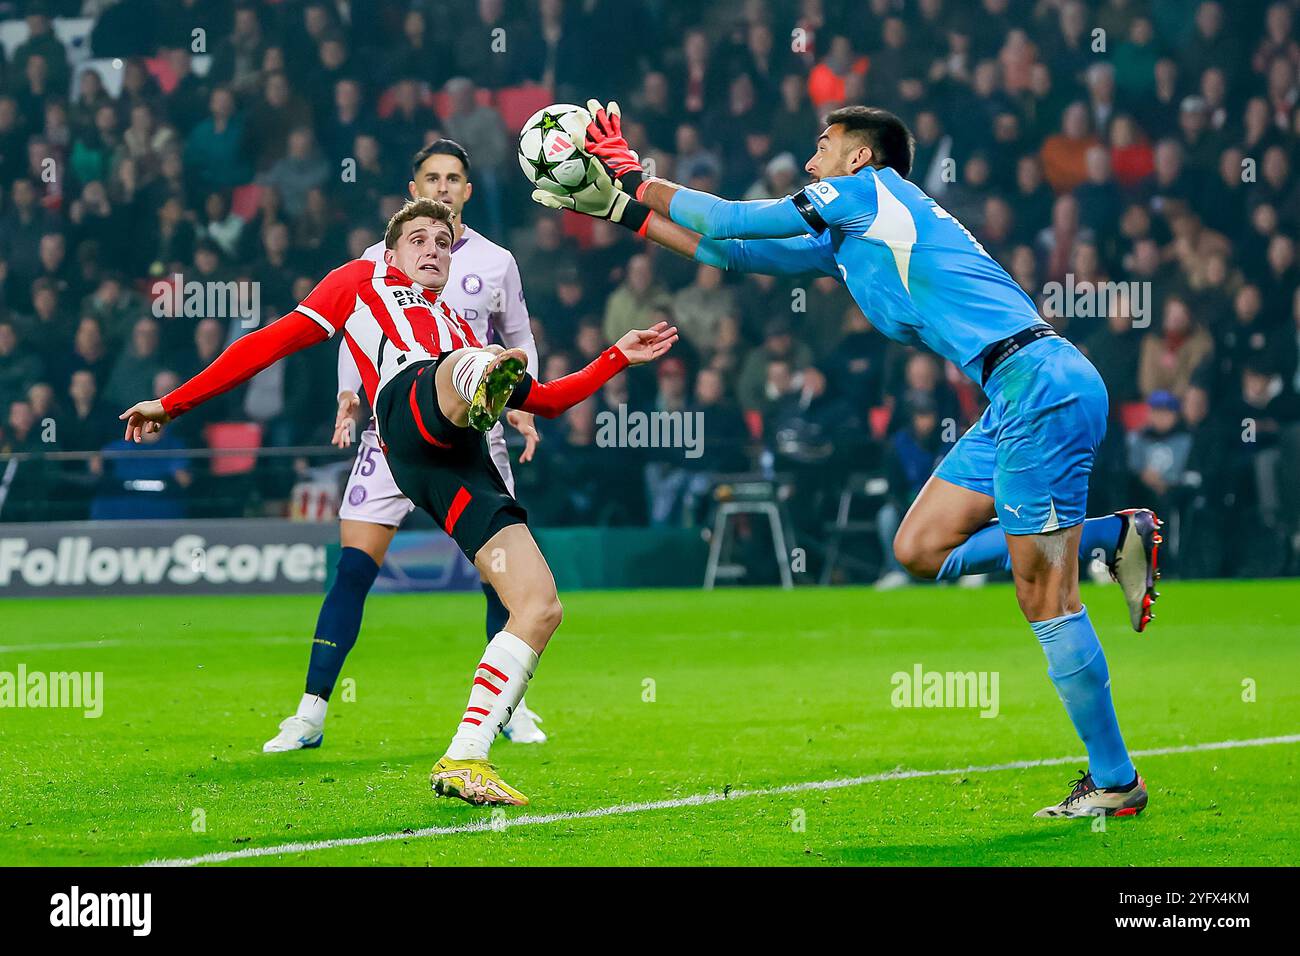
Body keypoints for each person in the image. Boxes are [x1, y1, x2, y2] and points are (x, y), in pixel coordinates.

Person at [537, 100, 1161, 820]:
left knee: (1044, 595)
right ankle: (1117, 534)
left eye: (822, 146)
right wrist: (620, 206)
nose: (811, 161)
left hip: (1041, 387)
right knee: (921, 548)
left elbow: (736, 218)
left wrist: (637, 175)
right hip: (1015, 392)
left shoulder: (871, 192)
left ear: (859, 157)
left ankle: (1115, 779)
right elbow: (728, 251)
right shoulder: (846, 234)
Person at [121, 198, 677, 806]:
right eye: (418, 239)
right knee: (463, 365)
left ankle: (465, 757)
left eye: (443, 241)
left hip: (457, 461)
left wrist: (618, 355)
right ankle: (483, 378)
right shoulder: (360, 281)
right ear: (391, 252)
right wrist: (170, 404)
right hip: (407, 407)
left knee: (539, 605)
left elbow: (545, 401)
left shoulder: (461, 322)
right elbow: (266, 344)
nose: (433, 249)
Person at [262, 139, 547, 754]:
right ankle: (310, 712)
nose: (442, 188)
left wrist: (523, 405)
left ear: (468, 191)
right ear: (412, 191)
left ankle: (508, 708)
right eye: (431, 179)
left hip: (474, 429)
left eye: (453, 179)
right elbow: (353, 329)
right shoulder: (380, 258)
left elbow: (518, 339)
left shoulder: (497, 262)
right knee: (354, 568)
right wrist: (346, 394)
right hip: (394, 428)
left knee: (500, 576)